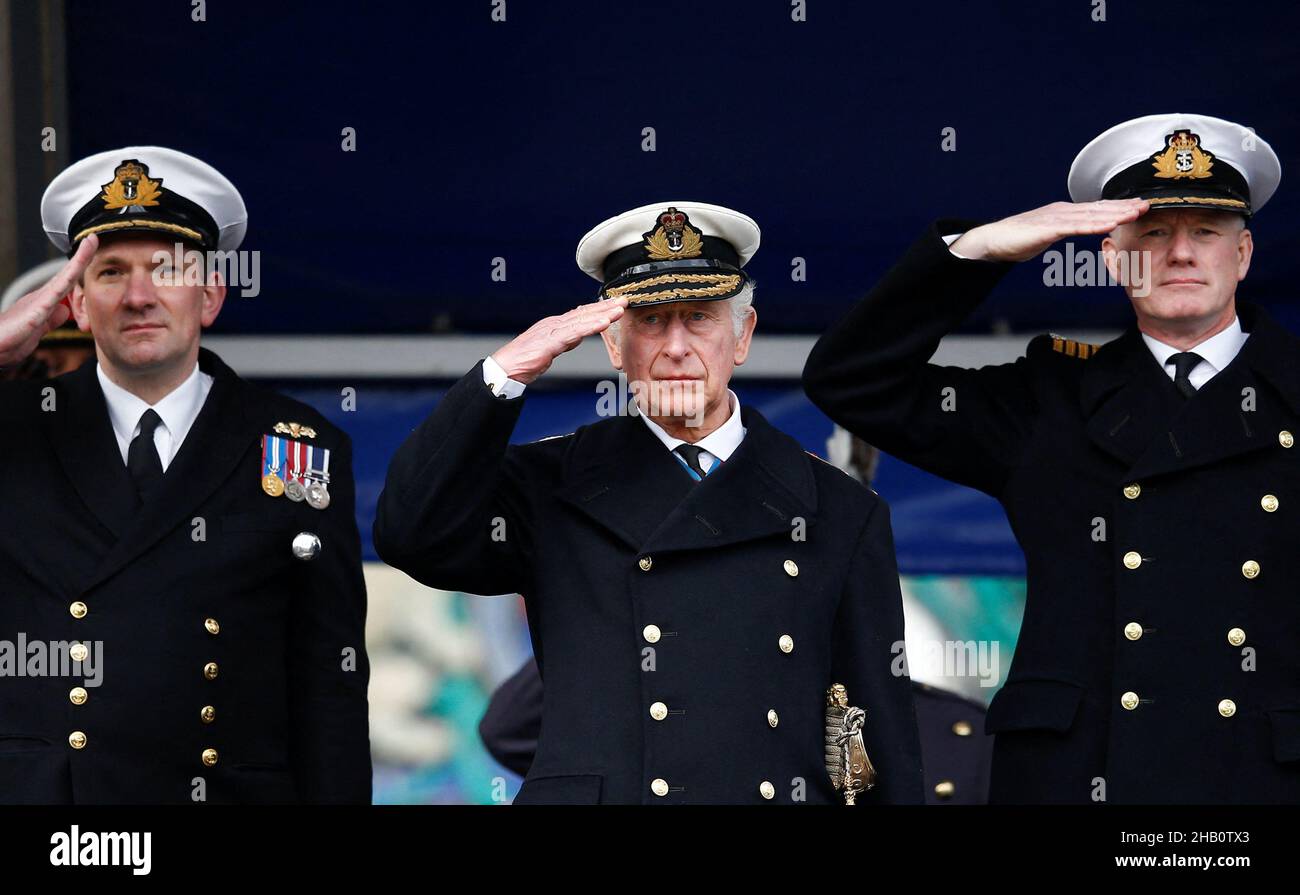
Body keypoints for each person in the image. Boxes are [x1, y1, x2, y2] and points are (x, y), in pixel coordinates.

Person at [803, 113, 1297, 804]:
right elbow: (851, 379)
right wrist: (976, 252)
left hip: (1258, 783)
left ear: (1242, 256)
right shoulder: (1051, 400)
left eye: (1205, 232)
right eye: (1153, 232)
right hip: (1084, 776)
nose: (1180, 253)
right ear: (1112, 257)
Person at [375, 201, 922, 804]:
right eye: (652, 321)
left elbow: (874, 733)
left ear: (742, 336)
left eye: (699, 318)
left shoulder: (837, 507)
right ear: (614, 344)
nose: (677, 346)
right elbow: (411, 532)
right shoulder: (554, 481)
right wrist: (504, 376)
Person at [0, 146, 371, 804]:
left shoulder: (296, 446)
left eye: (166, 269)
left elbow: (328, 687)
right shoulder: (17, 430)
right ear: (77, 305)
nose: (139, 296)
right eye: (111, 272)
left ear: (210, 295)